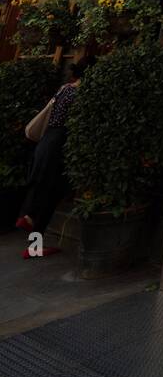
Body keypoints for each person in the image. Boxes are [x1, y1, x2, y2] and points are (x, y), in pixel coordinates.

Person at [16, 57, 92, 259]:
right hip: (60, 143)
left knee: (41, 185)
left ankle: (29, 219)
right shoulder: (82, 94)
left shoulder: (65, 88)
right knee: (53, 192)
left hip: (47, 139)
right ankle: (31, 222)